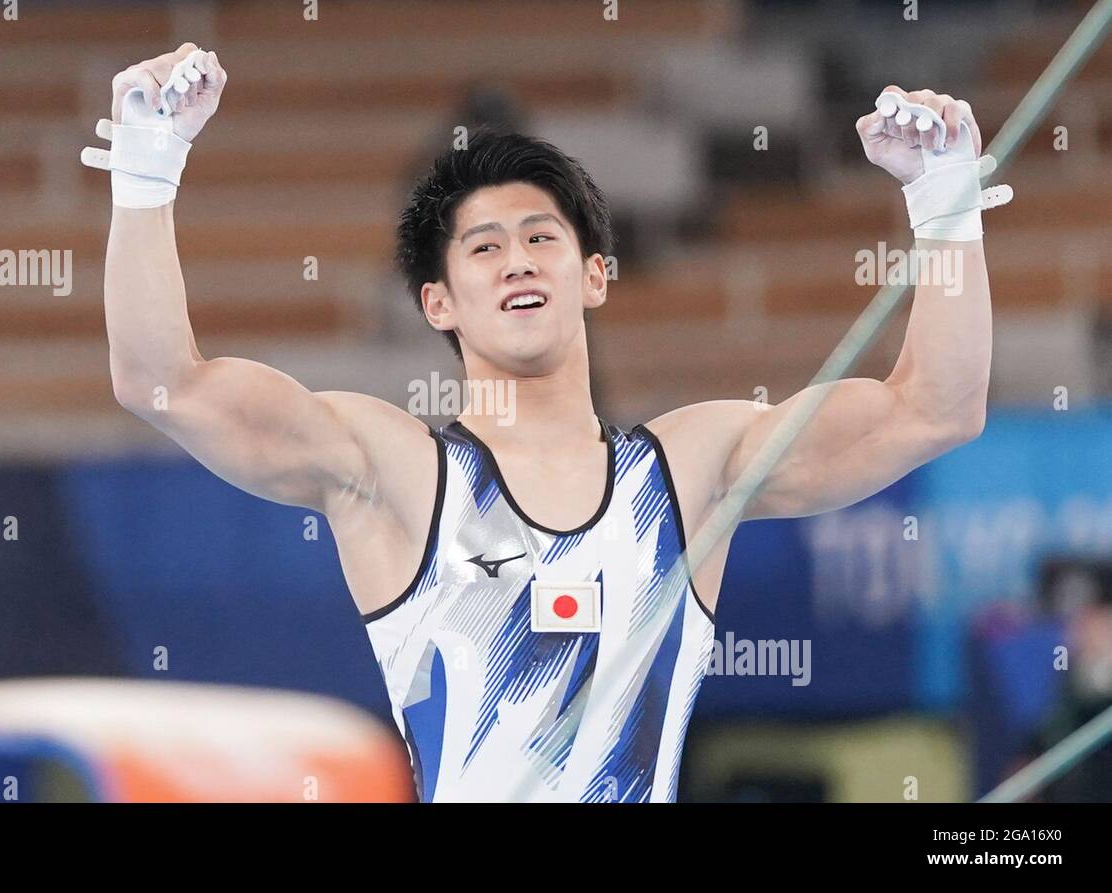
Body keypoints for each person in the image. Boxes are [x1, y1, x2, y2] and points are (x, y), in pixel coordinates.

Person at [89, 44, 995, 802]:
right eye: (484, 247)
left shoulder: (689, 471)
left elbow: (934, 408)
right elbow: (162, 381)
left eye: (542, 237)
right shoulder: (395, 473)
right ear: (437, 301)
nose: (517, 260)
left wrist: (945, 205)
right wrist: (146, 168)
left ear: (594, 275)